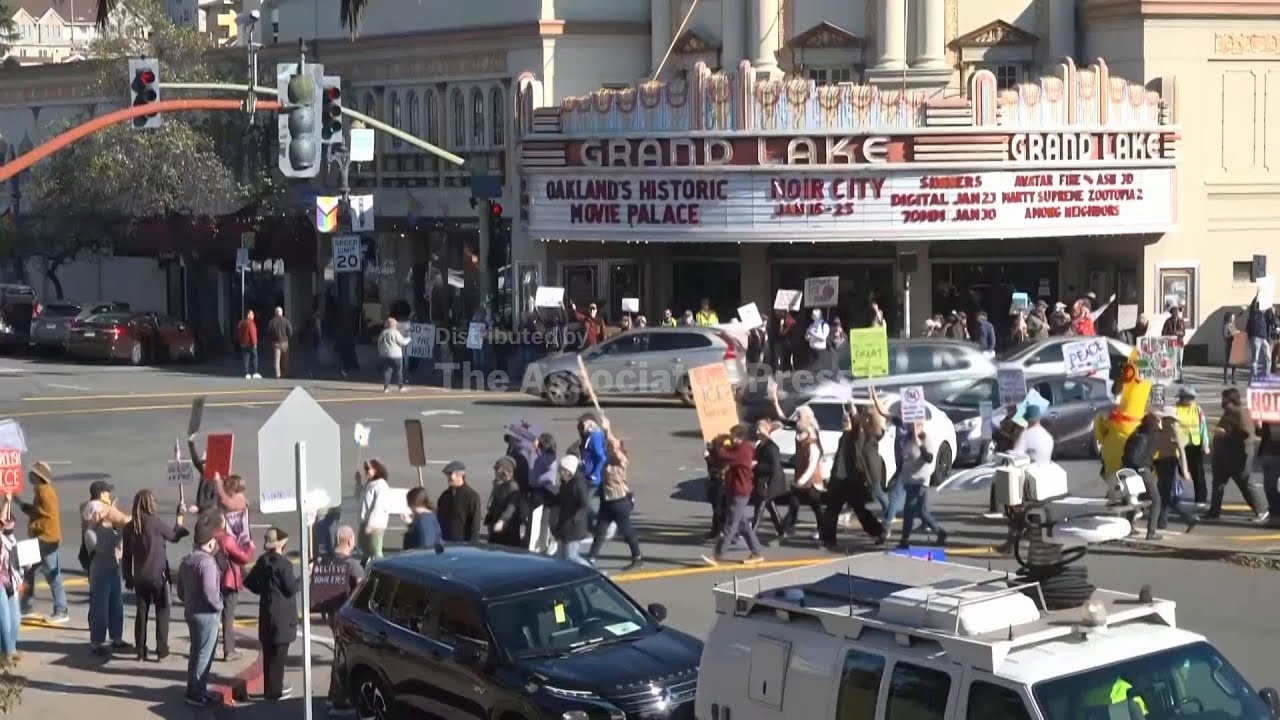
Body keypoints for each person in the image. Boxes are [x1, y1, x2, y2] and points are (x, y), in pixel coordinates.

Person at [122, 489, 188, 662]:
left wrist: (128, 577)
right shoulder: (155, 524)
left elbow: (127, 556)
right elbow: (174, 536)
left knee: (141, 613)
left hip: (140, 578)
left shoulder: (130, 528)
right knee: (162, 611)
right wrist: (179, 520)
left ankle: (140, 650)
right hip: (158, 576)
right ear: (150, 505)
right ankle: (161, 650)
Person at [819, 403, 886, 551]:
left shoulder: (858, 437)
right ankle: (828, 540)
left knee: (860, 510)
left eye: (847, 420)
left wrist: (853, 411)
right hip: (838, 479)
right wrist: (831, 477)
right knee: (832, 510)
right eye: (843, 421)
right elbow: (838, 460)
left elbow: (858, 425)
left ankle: (879, 531)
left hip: (853, 480)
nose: (845, 423)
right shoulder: (843, 437)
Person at [244, 527, 298, 701]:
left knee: (269, 654)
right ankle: (275, 691)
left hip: (267, 611)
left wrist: (264, 590)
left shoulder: (263, 561)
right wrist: (304, 577)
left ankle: (270, 687)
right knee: (279, 655)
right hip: (283, 614)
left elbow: (249, 581)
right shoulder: (284, 565)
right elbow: (291, 589)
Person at [177, 523, 223, 708]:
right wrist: (219, 606)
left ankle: (193, 688)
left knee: (195, 652)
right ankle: (197, 693)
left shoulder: (186, 561)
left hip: (191, 612)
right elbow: (210, 591)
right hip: (206, 614)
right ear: (210, 543)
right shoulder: (208, 563)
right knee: (205, 654)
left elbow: (180, 591)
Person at [82, 481, 130, 656]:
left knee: (114, 601)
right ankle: (98, 641)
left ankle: (114, 637)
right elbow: (123, 520)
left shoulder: (97, 507)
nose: (109, 495)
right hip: (102, 564)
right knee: (102, 604)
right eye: (107, 492)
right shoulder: (98, 507)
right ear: (101, 494)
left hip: (109, 562)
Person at [17, 461, 68, 624]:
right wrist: (20, 504)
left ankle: (61, 610)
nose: (29, 475)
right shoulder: (43, 491)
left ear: (39, 477)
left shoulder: (43, 492)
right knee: (28, 571)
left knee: (52, 574)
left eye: (32, 473)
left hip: (45, 538)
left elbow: (46, 517)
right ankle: (26, 606)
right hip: (45, 538)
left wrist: (34, 526)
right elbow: (37, 511)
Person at [586, 427, 643, 570]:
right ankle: (591, 558)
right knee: (600, 532)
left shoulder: (622, 461)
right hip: (607, 502)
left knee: (626, 531)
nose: (609, 448)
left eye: (611, 446)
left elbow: (616, 449)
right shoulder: (607, 461)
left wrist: (608, 430)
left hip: (620, 503)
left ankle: (637, 557)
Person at [1205, 388, 1267, 521]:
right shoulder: (1232, 412)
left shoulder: (1238, 412)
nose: (1222, 401)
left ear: (1230, 400)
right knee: (1218, 484)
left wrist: (1225, 433)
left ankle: (1261, 510)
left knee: (1244, 483)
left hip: (1236, 455)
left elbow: (1247, 431)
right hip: (1224, 454)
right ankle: (1214, 512)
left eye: (1224, 398)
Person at [707, 424, 764, 564]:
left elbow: (724, 455)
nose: (730, 439)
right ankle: (757, 552)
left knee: (731, 524)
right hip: (734, 489)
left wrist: (718, 443)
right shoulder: (740, 448)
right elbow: (724, 453)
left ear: (739, 438)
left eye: (732, 436)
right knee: (742, 523)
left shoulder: (743, 451)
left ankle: (717, 555)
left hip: (740, 491)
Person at [322, 526, 364, 715]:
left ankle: (334, 695)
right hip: (347, 616)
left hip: (331, 614)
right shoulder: (353, 565)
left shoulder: (326, 561)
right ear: (349, 541)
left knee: (339, 653)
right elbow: (363, 588)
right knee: (344, 657)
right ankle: (340, 699)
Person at [896, 421, 948, 549]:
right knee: (921, 511)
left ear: (921, 426)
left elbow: (929, 458)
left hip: (919, 481)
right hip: (908, 480)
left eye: (916, 425)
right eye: (910, 425)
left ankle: (904, 540)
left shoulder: (926, 440)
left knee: (909, 510)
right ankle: (940, 532)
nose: (912, 428)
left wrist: (919, 443)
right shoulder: (907, 439)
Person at [213, 509, 254, 662]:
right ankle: (229, 650)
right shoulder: (226, 538)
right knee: (228, 617)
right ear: (222, 522)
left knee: (215, 616)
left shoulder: (210, 536)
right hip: (229, 581)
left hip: (215, 580)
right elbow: (243, 557)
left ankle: (211, 647)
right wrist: (249, 546)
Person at [1152, 408, 1199, 533]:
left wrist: (1184, 469)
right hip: (1159, 463)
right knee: (1165, 495)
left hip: (1169, 463)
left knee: (1165, 495)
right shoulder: (1159, 430)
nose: (1167, 421)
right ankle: (1165, 522)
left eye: (1169, 419)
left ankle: (1185, 518)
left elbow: (1182, 452)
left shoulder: (1174, 432)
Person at [782, 405, 825, 540]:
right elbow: (785, 421)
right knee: (794, 503)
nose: (797, 418)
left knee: (815, 506)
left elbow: (812, 465)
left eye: (800, 416)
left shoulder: (812, 441)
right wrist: (776, 403)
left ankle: (822, 530)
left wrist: (801, 481)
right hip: (800, 476)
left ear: (808, 418)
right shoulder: (800, 434)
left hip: (812, 480)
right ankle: (788, 527)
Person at [1122, 414, 1164, 540]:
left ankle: (1129, 528)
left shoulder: (1135, 434)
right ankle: (1151, 532)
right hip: (1143, 471)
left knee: (1134, 497)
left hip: (1129, 469)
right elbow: (1150, 454)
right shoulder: (1153, 436)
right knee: (1155, 500)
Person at [751, 418, 789, 544]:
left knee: (759, 509)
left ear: (767, 429)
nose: (757, 431)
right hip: (762, 481)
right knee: (770, 507)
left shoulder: (771, 447)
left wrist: (756, 465)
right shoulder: (760, 445)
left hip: (768, 483)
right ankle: (781, 531)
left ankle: (751, 535)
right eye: (756, 428)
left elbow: (773, 466)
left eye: (759, 428)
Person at [551, 455, 591, 566]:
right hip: (566, 524)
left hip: (575, 527)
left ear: (569, 471)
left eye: (562, 470)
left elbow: (584, 505)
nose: (560, 472)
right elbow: (561, 498)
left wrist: (575, 519)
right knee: (562, 555)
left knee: (571, 555)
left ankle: (593, 572)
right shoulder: (566, 483)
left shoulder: (578, 484)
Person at [1174, 387, 1210, 504]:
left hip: (1195, 443)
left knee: (1198, 473)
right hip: (1180, 445)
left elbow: (1203, 427)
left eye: (1192, 397)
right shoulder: (1175, 409)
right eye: (1189, 397)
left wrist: (1205, 444)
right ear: (1182, 398)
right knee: (1180, 471)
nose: (1191, 400)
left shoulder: (1197, 409)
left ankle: (1201, 499)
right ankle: (1176, 496)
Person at [527, 433, 559, 553]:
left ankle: (544, 545)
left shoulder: (551, 456)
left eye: (541, 444)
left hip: (546, 490)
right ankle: (534, 543)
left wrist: (537, 449)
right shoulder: (542, 454)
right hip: (536, 489)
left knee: (544, 521)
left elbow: (546, 463)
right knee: (534, 518)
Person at [437, 461, 483, 542]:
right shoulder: (445, 496)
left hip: (462, 544)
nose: (449, 478)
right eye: (448, 475)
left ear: (460, 475)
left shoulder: (472, 496)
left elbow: (475, 525)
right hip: (445, 542)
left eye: (451, 475)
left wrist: (472, 544)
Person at [484, 457, 525, 547]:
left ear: (505, 472)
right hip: (496, 523)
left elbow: (511, 507)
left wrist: (502, 520)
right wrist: (489, 521)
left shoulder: (513, 487)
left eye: (497, 470)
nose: (495, 472)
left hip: (509, 526)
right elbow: (493, 504)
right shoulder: (498, 484)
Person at [0, 497, 22, 662]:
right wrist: (6, 502)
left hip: (12, 581)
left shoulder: (13, 540)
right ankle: (7, 652)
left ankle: (12, 649)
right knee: (4, 620)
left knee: (15, 619)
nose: (9, 524)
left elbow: (18, 564)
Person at [577, 414, 608, 530]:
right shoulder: (588, 436)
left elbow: (601, 457)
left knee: (591, 503)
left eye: (583, 423)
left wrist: (595, 474)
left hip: (593, 478)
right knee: (588, 502)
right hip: (587, 474)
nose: (580, 426)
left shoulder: (594, 437)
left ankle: (596, 527)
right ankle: (591, 527)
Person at [357, 458, 391, 563]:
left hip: (375, 525)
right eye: (365, 469)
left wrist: (371, 525)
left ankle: (381, 572)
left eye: (368, 469)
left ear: (376, 469)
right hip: (365, 522)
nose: (366, 471)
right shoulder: (369, 483)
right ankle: (363, 571)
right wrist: (358, 482)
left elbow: (378, 506)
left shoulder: (381, 485)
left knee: (375, 551)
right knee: (365, 551)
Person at [376, 318, 412, 393]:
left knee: (387, 371)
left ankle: (386, 388)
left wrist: (380, 351)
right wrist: (409, 338)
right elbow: (403, 342)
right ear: (393, 325)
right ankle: (400, 386)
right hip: (396, 355)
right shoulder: (395, 332)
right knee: (399, 371)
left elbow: (379, 343)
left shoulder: (383, 333)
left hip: (385, 354)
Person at [1256, 418, 1280, 522]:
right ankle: (1274, 512)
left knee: (1272, 486)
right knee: (1269, 487)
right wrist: (1258, 425)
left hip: (1275, 455)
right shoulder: (1269, 414)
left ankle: (1275, 513)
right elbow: (1261, 433)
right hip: (1268, 454)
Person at [1163, 305, 1187, 382]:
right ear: (1171, 312)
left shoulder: (1181, 321)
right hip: (1170, 343)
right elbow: (1164, 332)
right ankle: (1172, 376)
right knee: (1172, 360)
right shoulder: (1168, 321)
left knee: (1179, 360)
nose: (1176, 313)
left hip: (1179, 343)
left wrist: (1180, 334)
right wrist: (1173, 333)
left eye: (1177, 311)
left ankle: (1180, 376)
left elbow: (1183, 332)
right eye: (1174, 311)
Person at [267, 306, 293, 379]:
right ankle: (285, 373)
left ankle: (277, 374)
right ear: (282, 313)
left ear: (275, 313)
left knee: (276, 359)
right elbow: (290, 331)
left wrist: (272, 338)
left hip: (276, 343)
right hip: (285, 342)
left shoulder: (272, 321)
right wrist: (288, 338)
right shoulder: (286, 321)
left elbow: (269, 331)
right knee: (285, 359)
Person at [237, 310, 260, 379]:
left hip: (243, 343)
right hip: (251, 344)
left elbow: (238, 334)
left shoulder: (241, 323)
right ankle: (255, 372)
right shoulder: (251, 323)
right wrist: (254, 343)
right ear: (248, 315)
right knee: (254, 357)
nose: (253, 315)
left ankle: (246, 373)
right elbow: (253, 333)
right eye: (252, 314)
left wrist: (241, 342)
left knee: (246, 359)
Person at [1223, 311, 1239, 384]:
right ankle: (1225, 379)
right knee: (1227, 363)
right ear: (1229, 318)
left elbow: (1235, 332)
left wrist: (1237, 333)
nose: (1233, 318)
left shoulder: (1233, 325)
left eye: (1234, 317)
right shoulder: (1226, 325)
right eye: (1232, 317)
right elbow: (1225, 335)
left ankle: (1234, 379)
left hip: (1234, 345)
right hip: (1229, 346)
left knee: (1234, 363)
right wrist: (1232, 334)